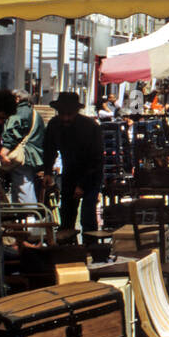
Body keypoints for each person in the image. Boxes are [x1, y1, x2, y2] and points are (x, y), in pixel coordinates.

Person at [41, 92, 105, 237]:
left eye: (69, 114)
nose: (65, 118)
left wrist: (82, 185)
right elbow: (49, 149)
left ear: (76, 112)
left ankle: (91, 248)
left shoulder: (90, 127)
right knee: (67, 213)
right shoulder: (54, 124)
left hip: (91, 173)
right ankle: (67, 250)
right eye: (62, 114)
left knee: (87, 216)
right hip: (70, 172)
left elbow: (96, 159)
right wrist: (47, 172)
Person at [0, 90, 45, 206]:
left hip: (23, 156)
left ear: (17, 99)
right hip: (31, 155)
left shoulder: (20, 112)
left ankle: (29, 218)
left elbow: (13, 132)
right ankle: (23, 218)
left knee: (23, 188)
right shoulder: (33, 112)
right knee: (20, 188)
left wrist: (4, 151)